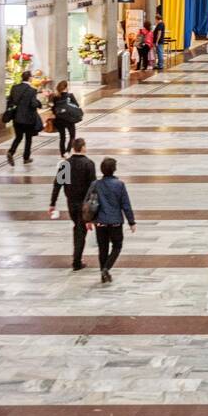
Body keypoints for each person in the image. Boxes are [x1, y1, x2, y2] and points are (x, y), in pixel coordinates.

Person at [48, 137, 96, 272]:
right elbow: (93, 188)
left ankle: (77, 258)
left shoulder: (66, 164)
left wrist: (53, 203)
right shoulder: (89, 164)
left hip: (71, 203)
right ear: (83, 147)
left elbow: (57, 185)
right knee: (81, 230)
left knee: (78, 227)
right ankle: (76, 261)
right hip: (84, 203)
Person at [91, 156, 135, 284]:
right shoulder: (119, 185)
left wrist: (88, 220)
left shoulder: (95, 184)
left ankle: (103, 274)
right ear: (114, 170)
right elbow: (125, 204)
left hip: (100, 221)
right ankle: (106, 268)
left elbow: (89, 202)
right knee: (117, 245)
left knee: (102, 248)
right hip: (115, 221)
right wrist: (131, 221)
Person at [5, 70, 42, 166]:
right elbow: (33, 104)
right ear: (30, 78)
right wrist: (39, 103)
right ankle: (26, 158)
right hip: (28, 118)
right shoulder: (32, 90)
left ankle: (11, 152)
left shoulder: (14, 88)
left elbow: (10, 101)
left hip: (16, 117)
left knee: (18, 137)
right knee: (28, 138)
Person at [50, 79, 80, 157]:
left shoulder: (55, 97)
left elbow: (53, 108)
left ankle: (62, 153)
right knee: (72, 136)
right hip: (69, 119)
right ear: (66, 87)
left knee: (62, 137)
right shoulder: (70, 96)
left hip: (59, 120)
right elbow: (77, 106)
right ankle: (68, 151)